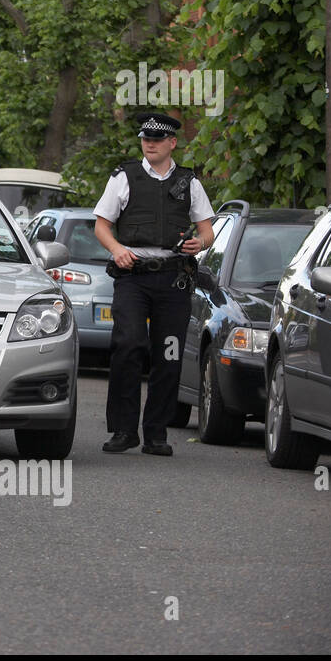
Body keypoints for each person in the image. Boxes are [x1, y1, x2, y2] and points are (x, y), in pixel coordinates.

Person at [93, 111, 215, 456]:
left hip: (173, 279)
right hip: (133, 276)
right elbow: (102, 225)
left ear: (172, 143)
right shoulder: (124, 176)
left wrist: (200, 244)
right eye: (146, 138)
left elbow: (207, 231)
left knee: (169, 354)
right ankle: (123, 430)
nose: (149, 144)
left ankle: (156, 434)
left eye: (157, 139)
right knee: (129, 345)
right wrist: (117, 250)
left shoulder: (189, 182)